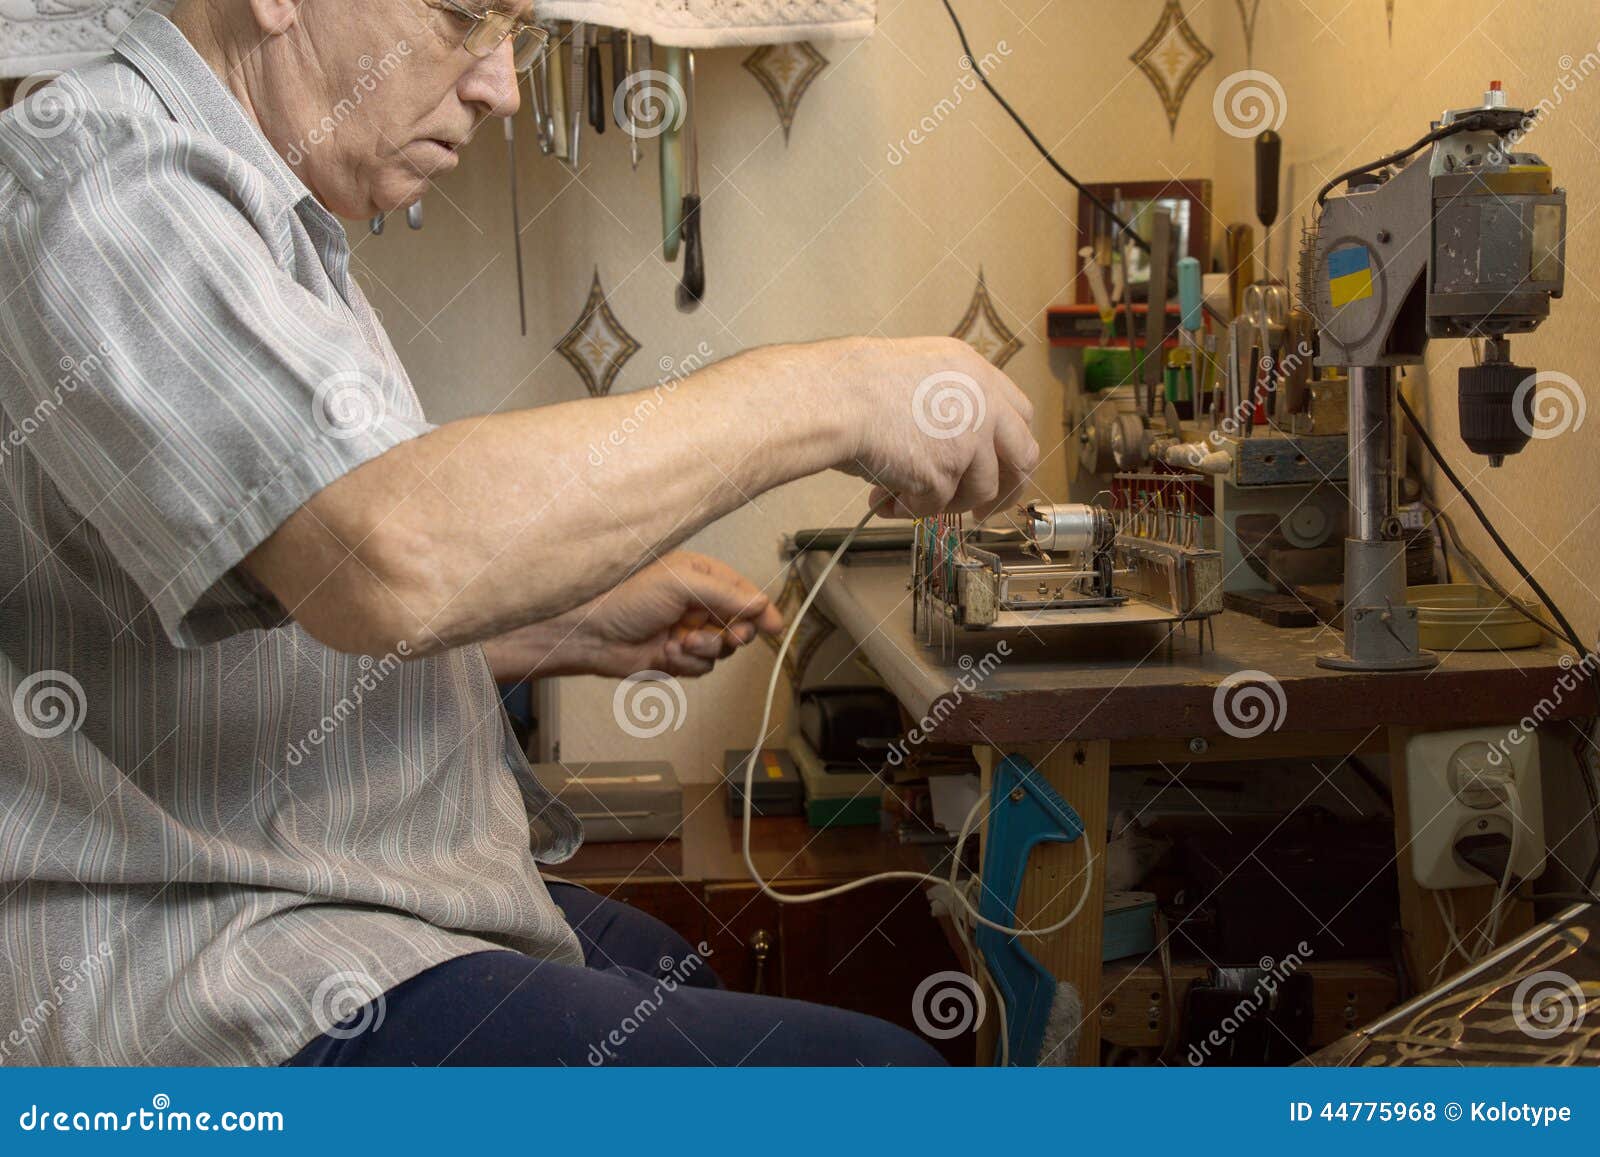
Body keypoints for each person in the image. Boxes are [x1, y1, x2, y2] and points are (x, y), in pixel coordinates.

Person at [0, 1, 1037, 1066]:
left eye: (517, 35)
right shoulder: (108, 181)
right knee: (887, 1083)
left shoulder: (246, 205)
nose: (499, 86)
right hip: (212, 974)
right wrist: (835, 393)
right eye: (464, 15)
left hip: (332, 901)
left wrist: (564, 626)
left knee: (680, 968)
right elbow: (387, 555)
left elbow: (276, 599)